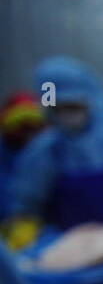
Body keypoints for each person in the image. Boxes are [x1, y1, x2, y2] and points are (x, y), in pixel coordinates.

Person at [3, 57, 103, 249]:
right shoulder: (44, 152)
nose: (67, 114)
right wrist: (24, 228)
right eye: (59, 108)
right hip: (69, 250)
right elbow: (25, 204)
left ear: (90, 101)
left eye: (73, 106)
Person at [0, 93, 45, 222]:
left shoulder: (47, 156)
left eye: (34, 127)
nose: (29, 135)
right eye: (23, 127)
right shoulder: (5, 159)